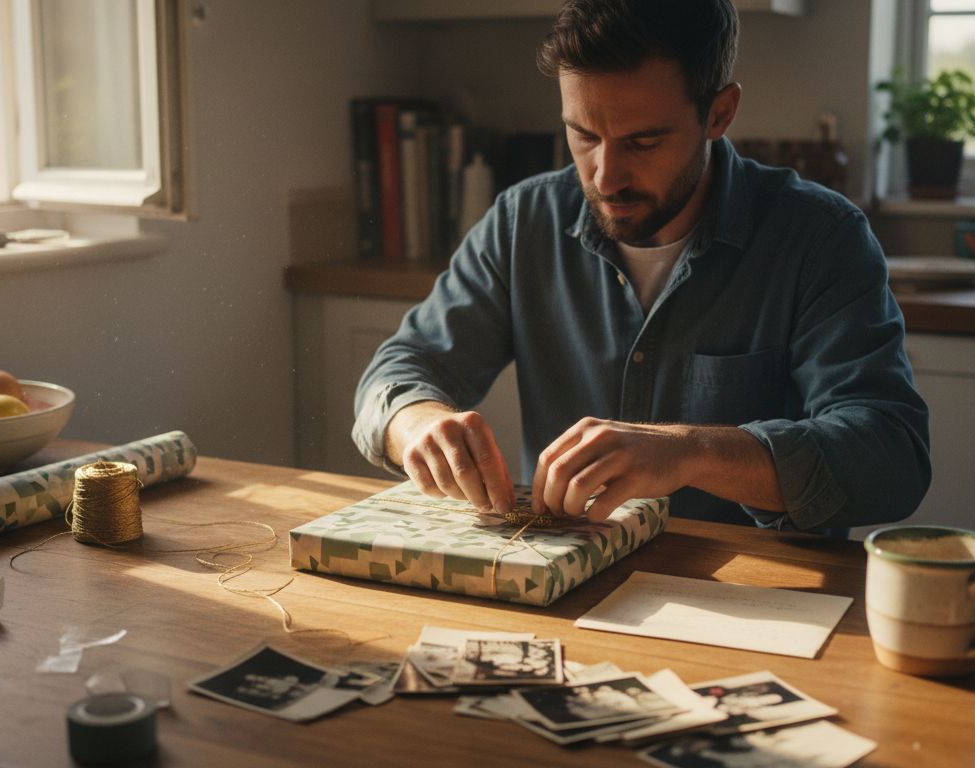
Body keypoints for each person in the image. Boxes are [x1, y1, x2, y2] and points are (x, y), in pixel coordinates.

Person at [353, 0, 930, 533]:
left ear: (719, 113)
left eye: (644, 141)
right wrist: (419, 425)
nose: (605, 177)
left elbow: (891, 456)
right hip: (560, 585)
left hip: (751, 597)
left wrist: (690, 451)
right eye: (583, 135)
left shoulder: (820, 237)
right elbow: (401, 368)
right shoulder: (522, 220)